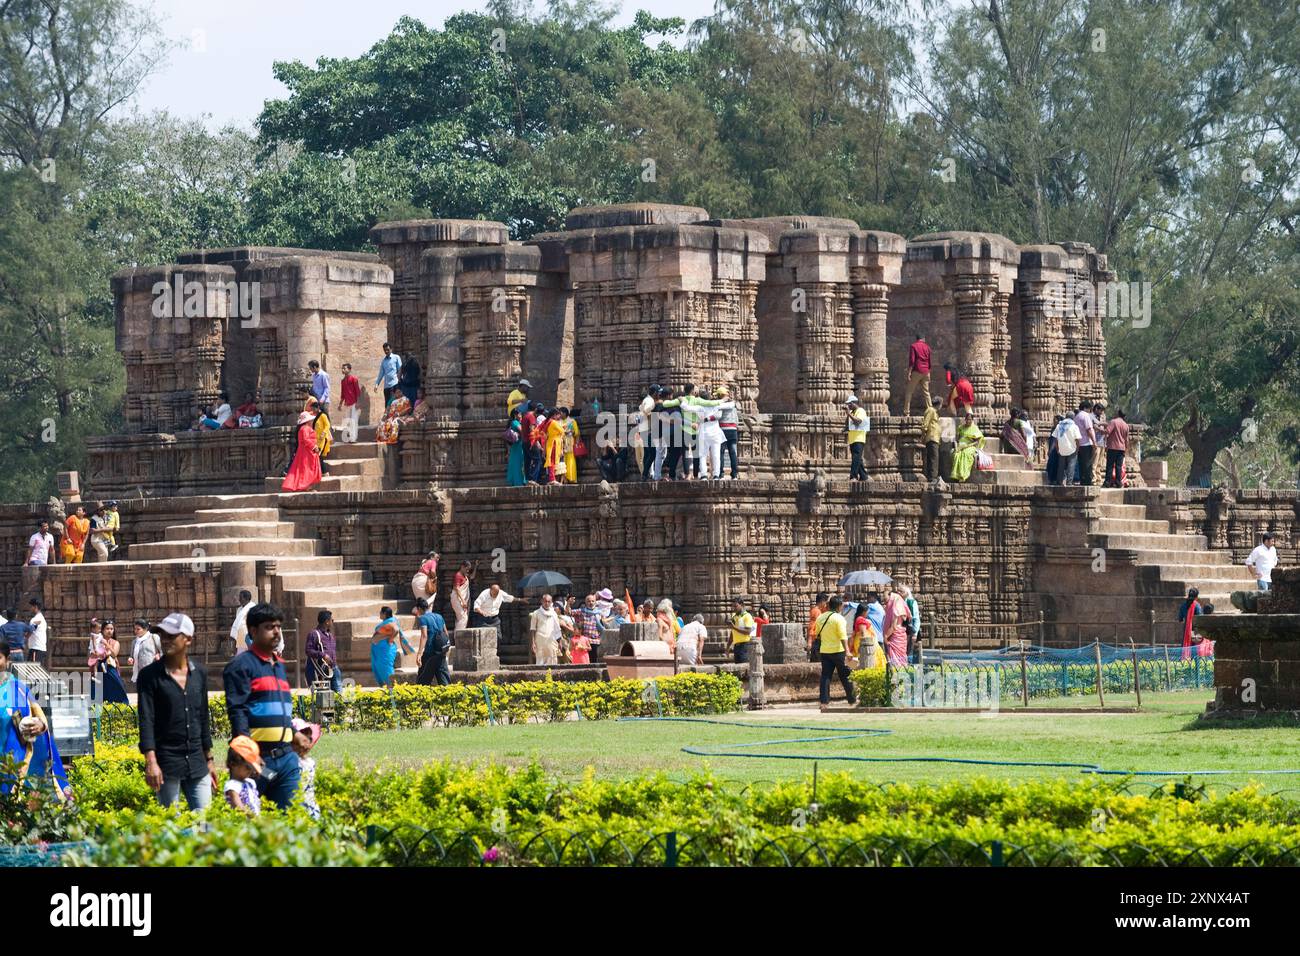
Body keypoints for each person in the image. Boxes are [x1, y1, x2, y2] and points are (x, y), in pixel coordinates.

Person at [223, 603, 299, 809]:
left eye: (278, 626)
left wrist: (294, 732)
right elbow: (237, 710)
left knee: (289, 821)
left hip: (286, 759)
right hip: (257, 761)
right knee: (250, 821)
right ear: (253, 631)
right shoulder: (241, 666)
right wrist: (249, 755)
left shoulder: (279, 665)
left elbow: (279, 709)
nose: (276, 632)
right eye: (269, 627)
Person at [136, 612, 215, 810]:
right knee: (170, 825)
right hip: (166, 762)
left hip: (197, 761)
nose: (166, 640)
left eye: (172, 636)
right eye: (163, 636)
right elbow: (146, 719)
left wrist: (210, 760)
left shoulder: (200, 673)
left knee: (204, 825)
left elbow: (203, 717)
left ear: (188, 639)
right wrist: (151, 761)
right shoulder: (149, 676)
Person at [0, 644, 69, 798]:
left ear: (8, 660)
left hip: (10, 763)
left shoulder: (19, 689)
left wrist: (40, 726)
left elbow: (41, 720)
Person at [814, 596, 857, 706]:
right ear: (838, 606)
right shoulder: (839, 618)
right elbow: (843, 636)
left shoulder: (821, 617)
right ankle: (852, 700)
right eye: (842, 605)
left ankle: (824, 702)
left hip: (825, 651)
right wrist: (847, 651)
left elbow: (817, 634)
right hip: (838, 651)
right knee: (845, 676)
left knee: (826, 676)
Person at [88, 618, 130, 705]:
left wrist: (106, 644)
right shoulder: (97, 639)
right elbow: (92, 652)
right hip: (99, 667)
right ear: (102, 630)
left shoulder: (115, 642)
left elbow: (114, 654)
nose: (109, 631)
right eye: (107, 629)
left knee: (117, 688)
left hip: (110, 668)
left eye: (111, 629)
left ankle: (121, 708)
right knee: (97, 693)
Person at [282, 403, 323, 492]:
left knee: (305, 469)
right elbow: (305, 439)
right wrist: (314, 447)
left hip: (307, 452)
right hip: (306, 453)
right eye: (310, 420)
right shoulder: (304, 429)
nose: (312, 421)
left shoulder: (304, 428)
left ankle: (305, 486)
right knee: (306, 469)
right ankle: (305, 486)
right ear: (307, 421)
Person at [370, 606, 412, 687]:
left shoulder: (391, 622)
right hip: (380, 650)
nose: (379, 614)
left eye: (380, 612)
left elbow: (395, 629)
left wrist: (391, 639)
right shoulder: (389, 621)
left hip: (385, 649)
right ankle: (386, 688)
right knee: (378, 667)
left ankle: (392, 688)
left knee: (385, 669)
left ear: (384, 614)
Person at [291, 719, 322, 820]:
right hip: (295, 808)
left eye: (309, 739)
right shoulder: (291, 761)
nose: (306, 744)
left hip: (311, 807)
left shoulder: (310, 762)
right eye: (302, 739)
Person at [415, 598, 451, 685]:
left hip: (430, 652)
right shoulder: (439, 616)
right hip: (441, 651)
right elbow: (446, 633)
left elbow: (424, 636)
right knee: (444, 680)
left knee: (422, 681)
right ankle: (449, 697)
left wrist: (419, 654)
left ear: (419, 608)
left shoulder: (423, 618)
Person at [305, 610, 343, 693]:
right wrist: (323, 655)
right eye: (332, 620)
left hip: (334, 669)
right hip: (321, 672)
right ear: (327, 622)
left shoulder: (330, 635)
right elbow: (308, 650)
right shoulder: (314, 634)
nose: (333, 622)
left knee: (339, 695)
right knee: (323, 699)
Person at [223, 737, 262, 815]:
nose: (251, 771)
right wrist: (253, 817)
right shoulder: (232, 786)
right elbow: (238, 807)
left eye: (252, 768)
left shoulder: (250, 782)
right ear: (233, 764)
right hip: (241, 823)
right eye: (248, 767)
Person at [949, 412, 984, 482]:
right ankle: (956, 476)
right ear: (965, 420)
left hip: (971, 446)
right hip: (960, 446)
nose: (968, 421)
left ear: (972, 420)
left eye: (970, 419)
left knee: (965, 454)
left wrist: (967, 446)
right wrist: (957, 447)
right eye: (967, 419)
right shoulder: (961, 427)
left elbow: (977, 441)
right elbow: (957, 439)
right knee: (956, 454)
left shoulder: (975, 428)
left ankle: (963, 476)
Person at [902, 333, 932, 414]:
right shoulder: (927, 347)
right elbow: (929, 361)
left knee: (909, 391)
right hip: (926, 371)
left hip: (917, 371)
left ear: (917, 339)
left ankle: (906, 412)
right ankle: (931, 411)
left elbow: (912, 361)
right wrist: (929, 373)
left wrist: (909, 372)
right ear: (923, 339)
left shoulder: (914, 346)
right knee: (926, 392)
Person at [881, 587, 912, 666]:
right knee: (896, 659)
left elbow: (894, 626)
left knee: (897, 661)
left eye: (885, 599)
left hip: (896, 636)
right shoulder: (892, 605)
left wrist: (885, 637)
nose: (885, 602)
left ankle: (898, 675)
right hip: (896, 636)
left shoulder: (897, 604)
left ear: (891, 596)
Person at [529, 594, 563, 665]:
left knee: (552, 660)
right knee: (540, 660)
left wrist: (560, 641)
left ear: (551, 602)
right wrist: (533, 643)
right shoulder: (536, 613)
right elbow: (533, 629)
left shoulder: (554, 613)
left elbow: (557, 628)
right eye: (545, 601)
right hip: (540, 640)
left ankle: (551, 676)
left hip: (551, 640)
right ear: (541, 601)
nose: (547, 603)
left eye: (548, 601)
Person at [572, 594, 605, 663]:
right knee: (585, 660)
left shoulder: (599, 613)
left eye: (593, 601)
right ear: (586, 602)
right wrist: (569, 604)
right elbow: (569, 612)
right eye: (589, 601)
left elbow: (603, 624)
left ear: (595, 602)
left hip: (595, 640)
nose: (591, 603)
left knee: (594, 660)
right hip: (585, 640)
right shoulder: (582, 611)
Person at [1051, 413, 1082, 485]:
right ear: (1073, 418)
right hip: (1072, 448)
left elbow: (1055, 439)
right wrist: (1077, 448)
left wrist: (1057, 448)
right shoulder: (1074, 426)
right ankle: (1069, 482)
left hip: (1061, 448)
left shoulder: (1059, 425)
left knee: (1061, 466)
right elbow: (1077, 439)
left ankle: (1059, 482)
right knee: (1071, 465)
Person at [128, 617, 160, 684]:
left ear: (145, 629)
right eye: (135, 629)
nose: (135, 631)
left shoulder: (153, 637)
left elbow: (163, 650)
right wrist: (130, 659)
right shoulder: (134, 642)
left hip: (153, 671)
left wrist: (159, 655)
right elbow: (131, 656)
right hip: (140, 673)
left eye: (138, 629)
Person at [1073, 400, 1097, 486]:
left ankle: (1083, 480)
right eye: (1089, 409)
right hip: (1086, 443)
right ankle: (1087, 481)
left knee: (1081, 463)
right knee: (1088, 463)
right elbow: (1089, 429)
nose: (1090, 411)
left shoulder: (1076, 417)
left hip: (1079, 444)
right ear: (1085, 408)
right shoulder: (1085, 415)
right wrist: (1094, 442)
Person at [1103, 409, 1129, 488]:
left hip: (1112, 447)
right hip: (1121, 448)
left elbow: (1107, 431)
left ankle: (1107, 482)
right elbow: (1126, 439)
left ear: (1118, 414)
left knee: (1110, 465)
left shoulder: (1113, 422)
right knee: (1119, 466)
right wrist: (1126, 449)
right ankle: (1118, 482)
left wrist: (1099, 429)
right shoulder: (1126, 425)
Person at [845, 396, 869, 481]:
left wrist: (849, 414)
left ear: (854, 403)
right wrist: (849, 414)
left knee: (856, 458)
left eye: (850, 404)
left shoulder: (861, 411)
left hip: (859, 438)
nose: (849, 406)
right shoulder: (853, 412)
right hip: (852, 439)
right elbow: (849, 425)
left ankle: (853, 476)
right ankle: (864, 476)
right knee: (858, 459)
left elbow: (859, 421)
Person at [1178, 587, 1203, 661]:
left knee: (1186, 647)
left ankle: (1185, 662)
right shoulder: (1197, 606)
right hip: (1195, 630)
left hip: (1187, 630)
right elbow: (1200, 618)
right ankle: (1196, 665)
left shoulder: (1183, 605)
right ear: (1196, 596)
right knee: (1195, 648)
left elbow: (1180, 619)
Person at [450, 560, 475, 631]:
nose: (467, 571)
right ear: (462, 567)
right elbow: (457, 588)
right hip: (457, 599)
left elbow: (472, 576)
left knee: (460, 618)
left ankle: (457, 634)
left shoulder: (465, 576)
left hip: (461, 599)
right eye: (466, 569)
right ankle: (459, 635)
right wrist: (463, 600)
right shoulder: (458, 575)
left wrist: (476, 566)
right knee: (463, 617)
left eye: (468, 569)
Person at [729, 598, 756, 664]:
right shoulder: (734, 617)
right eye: (733, 606)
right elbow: (733, 632)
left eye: (736, 606)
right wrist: (728, 647)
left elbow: (748, 631)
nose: (734, 608)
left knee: (744, 667)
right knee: (737, 668)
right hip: (736, 646)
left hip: (745, 645)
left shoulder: (747, 616)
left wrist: (734, 627)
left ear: (741, 605)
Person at [339, 363, 361, 442]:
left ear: (349, 369)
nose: (343, 370)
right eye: (342, 368)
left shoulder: (354, 379)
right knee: (348, 421)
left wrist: (358, 402)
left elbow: (357, 391)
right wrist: (340, 404)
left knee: (354, 421)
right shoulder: (343, 381)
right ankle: (349, 437)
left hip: (354, 403)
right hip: (347, 403)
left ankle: (353, 438)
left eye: (344, 368)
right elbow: (343, 393)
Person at [506, 406, 527, 486]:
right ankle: (519, 481)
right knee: (518, 463)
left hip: (516, 445)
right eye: (520, 414)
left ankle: (516, 481)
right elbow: (522, 431)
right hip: (518, 445)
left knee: (515, 462)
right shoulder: (515, 422)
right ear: (515, 415)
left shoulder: (513, 422)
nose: (521, 416)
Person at [230, 589, 255, 655]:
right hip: (240, 640)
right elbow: (237, 625)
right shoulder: (239, 609)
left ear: (246, 598)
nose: (239, 599)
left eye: (241, 597)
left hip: (249, 638)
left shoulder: (253, 608)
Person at [900, 584, 922, 660]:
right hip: (902, 631)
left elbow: (916, 619)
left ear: (907, 593)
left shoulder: (912, 602)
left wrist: (915, 634)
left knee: (910, 652)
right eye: (899, 591)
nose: (900, 593)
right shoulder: (899, 602)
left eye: (902, 592)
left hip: (911, 631)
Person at [807, 592, 830, 663]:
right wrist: (809, 641)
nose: (826, 604)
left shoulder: (818, 611)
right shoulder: (816, 611)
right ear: (822, 601)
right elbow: (812, 626)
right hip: (816, 640)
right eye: (825, 602)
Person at [313, 401, 333, 475]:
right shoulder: (316, 416)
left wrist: (323, 433)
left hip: (323, 439)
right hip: (317, 440)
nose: (313, 410)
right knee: (318, 456)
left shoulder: (323, 415)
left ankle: (325, 472)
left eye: (314, 409)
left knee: (319, 455)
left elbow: (327, 425)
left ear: (318, 408)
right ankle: (322, 472)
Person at [25, 599, 48, 666]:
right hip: (39, 648)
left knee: (33, 671)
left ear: (35, 607)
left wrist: (24, 635)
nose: (30, 608)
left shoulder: (35, 619)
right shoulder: (41, 618)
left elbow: (29, 632)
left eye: (31, 606)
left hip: (36, 649)